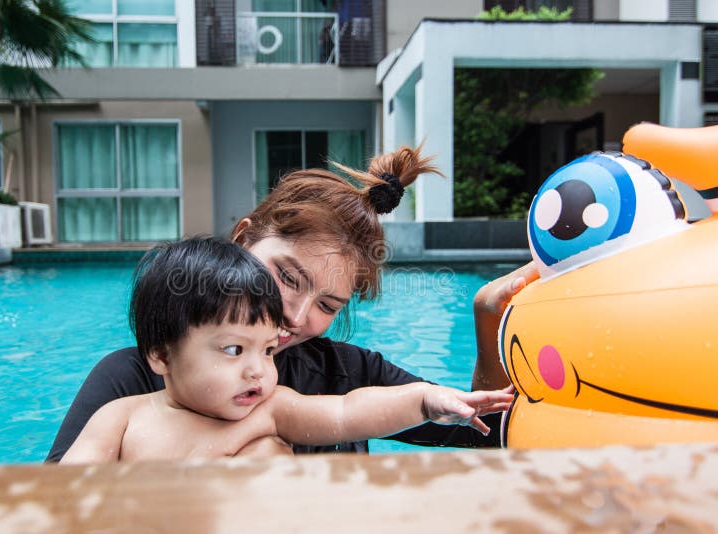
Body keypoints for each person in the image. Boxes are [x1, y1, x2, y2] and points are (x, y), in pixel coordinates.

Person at [46, 146, 536, 461]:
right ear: (243, 240)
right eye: (286, 277)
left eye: (329, 305)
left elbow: (486, 433)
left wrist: (488, 320)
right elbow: (57, 503)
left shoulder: (346, 374)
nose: (295, 317)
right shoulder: (131, 381)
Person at [60, 238, 513, 463]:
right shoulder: (121, 416)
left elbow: (348, 412)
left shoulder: (272, 408)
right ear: (161, 355)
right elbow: (65, 495)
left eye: (267, 351)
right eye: (234, 349)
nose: (258, 370)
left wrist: (425, 400)